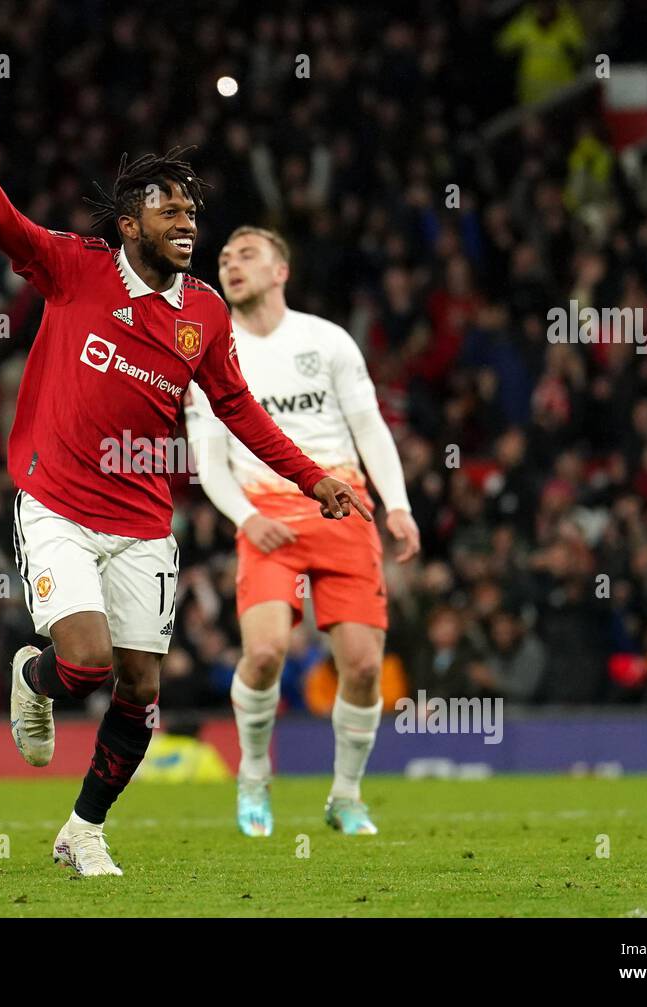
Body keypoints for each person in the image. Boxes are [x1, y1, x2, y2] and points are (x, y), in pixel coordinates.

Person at [0, 74, 371, 876]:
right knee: (85, 663)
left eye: (192, 211)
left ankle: (84, 829)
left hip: (143, 520)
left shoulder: (205, 312)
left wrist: (313, 476)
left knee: (140, 689)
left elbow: (239, 408)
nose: (187, 222)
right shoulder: (75, 268)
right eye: (170, 209)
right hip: (59, 505)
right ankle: (34, 677)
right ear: (129, 220)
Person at [186, 227, 421, 836]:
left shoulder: (327, 341)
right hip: (267, 518)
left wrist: (397, 504)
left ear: (281, 270)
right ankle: (255, 775)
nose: (231, 265)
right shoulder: (210, 350)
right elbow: (209, 462)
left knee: (365, 668)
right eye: (224, 259)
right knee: (263, 653)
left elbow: (369, 429)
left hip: (343, 511)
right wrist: (247, 518)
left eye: (247, 255)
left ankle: (345, 796)